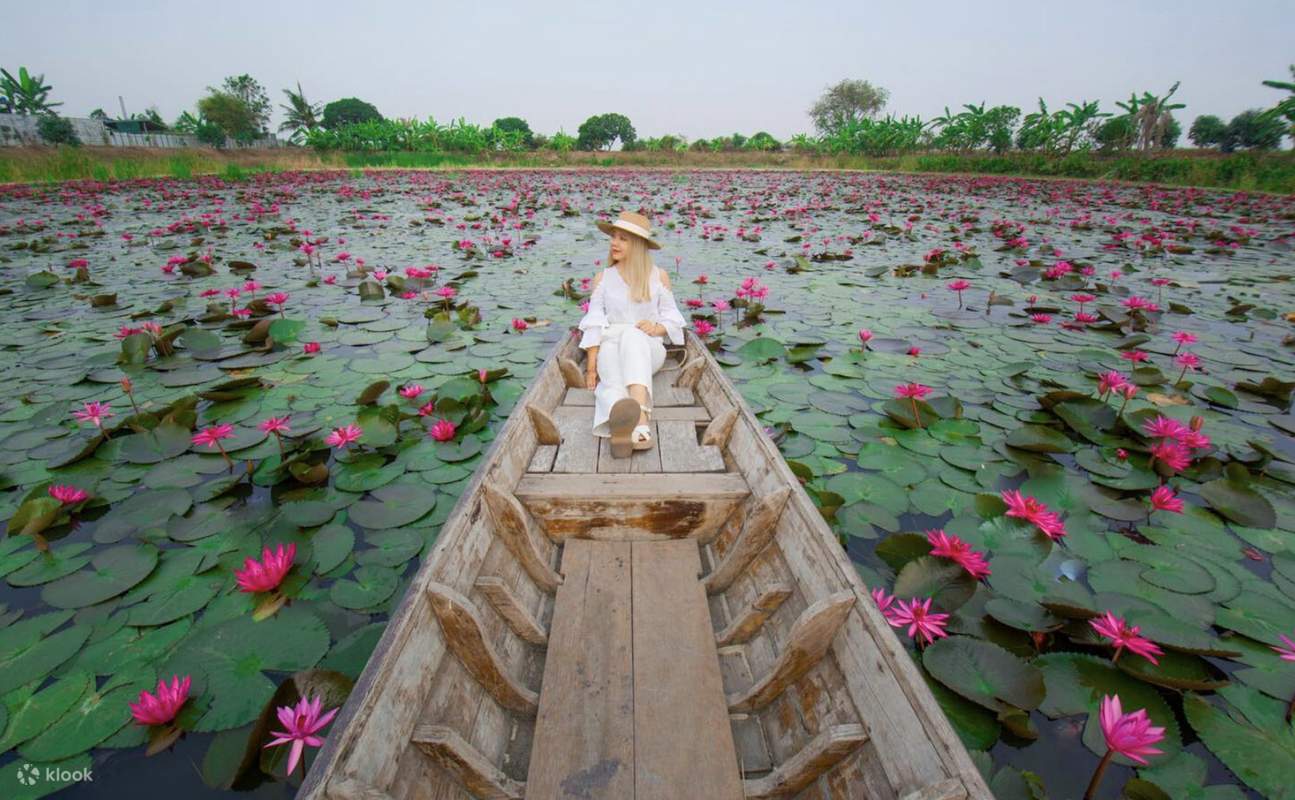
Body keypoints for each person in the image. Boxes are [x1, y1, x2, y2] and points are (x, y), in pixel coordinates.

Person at [576, 210, 688, 458]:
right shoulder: (603, 278)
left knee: (632, 335)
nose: (614, 243)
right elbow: (594, 322)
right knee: (612, 376)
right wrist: (592, 367)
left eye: (623, 239)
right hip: (610, 345)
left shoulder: (658, 277)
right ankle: (622, 431)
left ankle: (638, 416)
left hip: (647, 347)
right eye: (613, 237)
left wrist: (656, 327)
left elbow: (673, 318)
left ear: (637, 245)